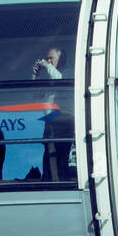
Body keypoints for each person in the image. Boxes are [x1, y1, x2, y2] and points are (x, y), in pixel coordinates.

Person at [33, 46, 75, 181]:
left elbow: (59, 79)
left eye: (51, 58)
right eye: (47, 58)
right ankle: (48, 180)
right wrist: (36, 76)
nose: (48, 61)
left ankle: (61, 182)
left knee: (61, 155)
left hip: (64, 120)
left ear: (61, 59)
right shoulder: (49, 75)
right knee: (48, 154)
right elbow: (37, 97)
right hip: (50, 122)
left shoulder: (69, 72)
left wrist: (46, 66)